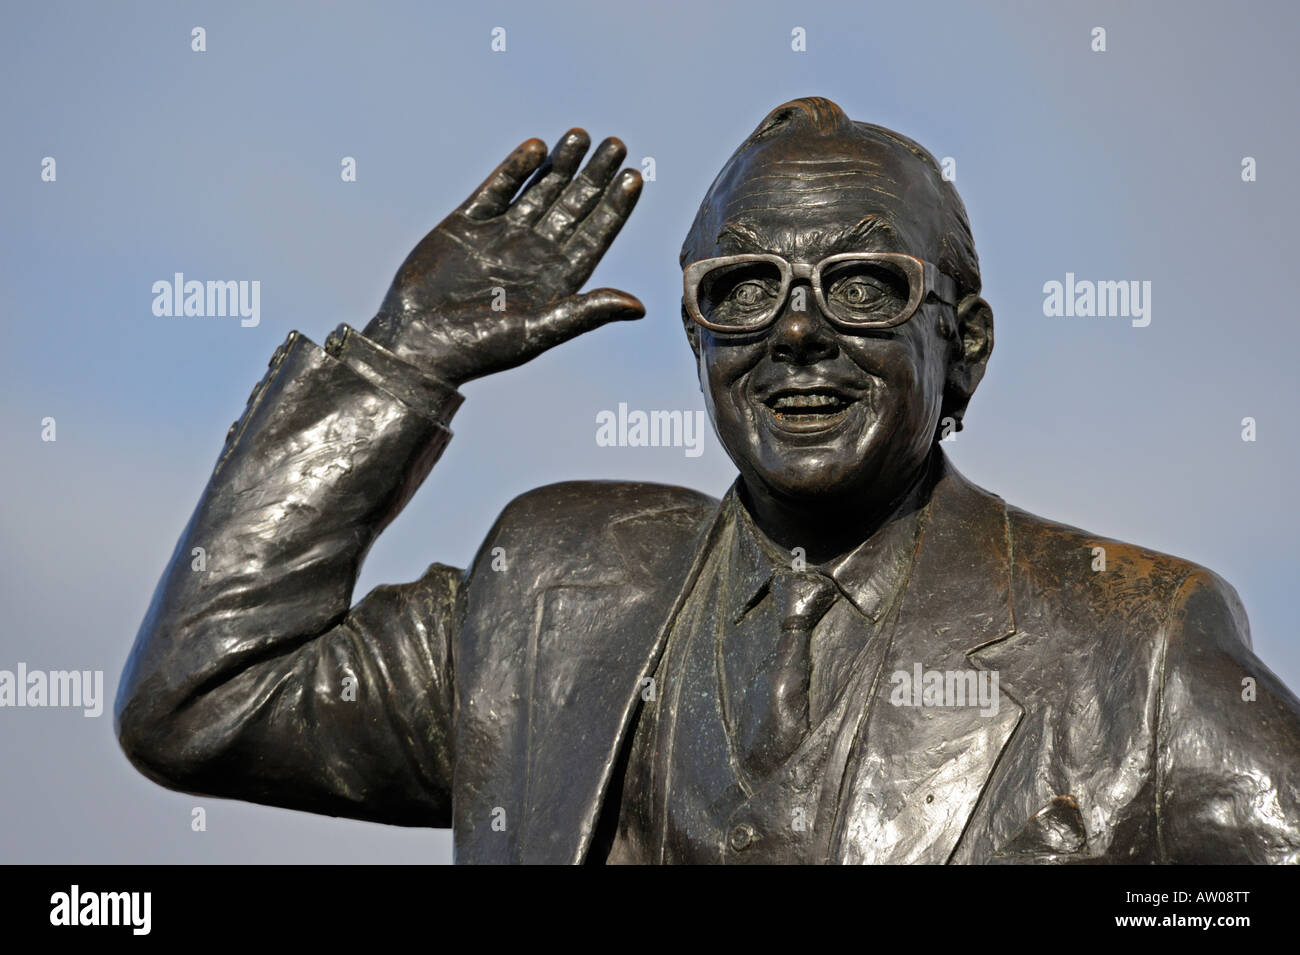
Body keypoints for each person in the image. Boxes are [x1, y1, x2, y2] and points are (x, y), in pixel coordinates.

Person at [116, 97, 1300, 864]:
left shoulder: (1131, 645)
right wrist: (398, 364)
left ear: (965, 344)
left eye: (861, 286)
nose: (795, 334)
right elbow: (204, 699)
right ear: (695, 342)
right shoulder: (551, 586)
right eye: (740, 292)